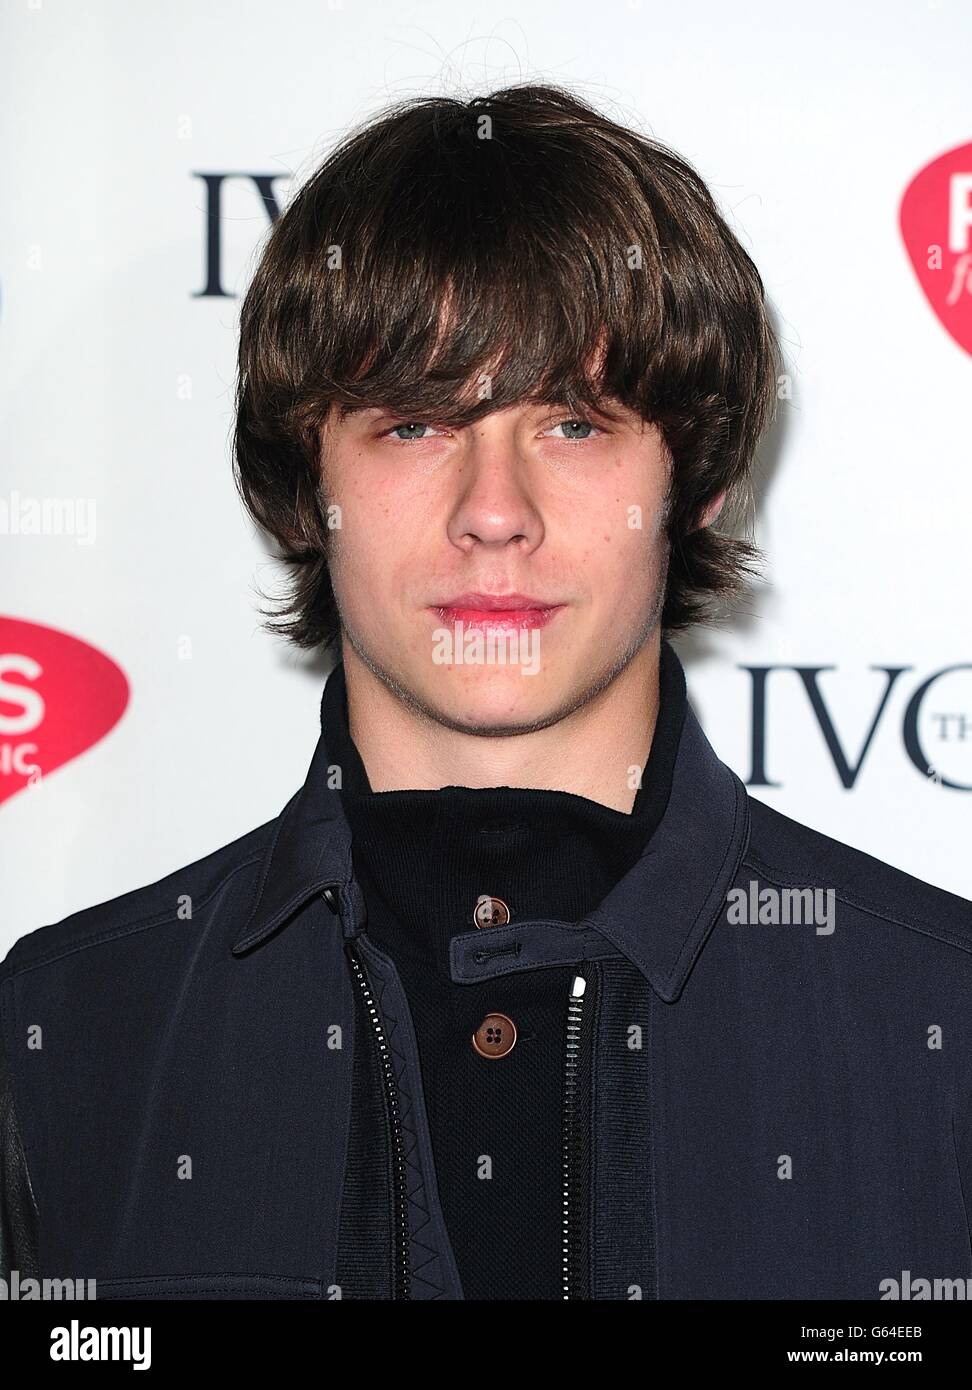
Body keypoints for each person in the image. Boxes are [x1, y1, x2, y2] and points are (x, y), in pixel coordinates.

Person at [2, 82, 971, 1302]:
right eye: (414, 426)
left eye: (573, 422)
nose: (494, 513)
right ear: (301, 488)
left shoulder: (942, 1027)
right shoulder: (65, 1035)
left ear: (703, 481)